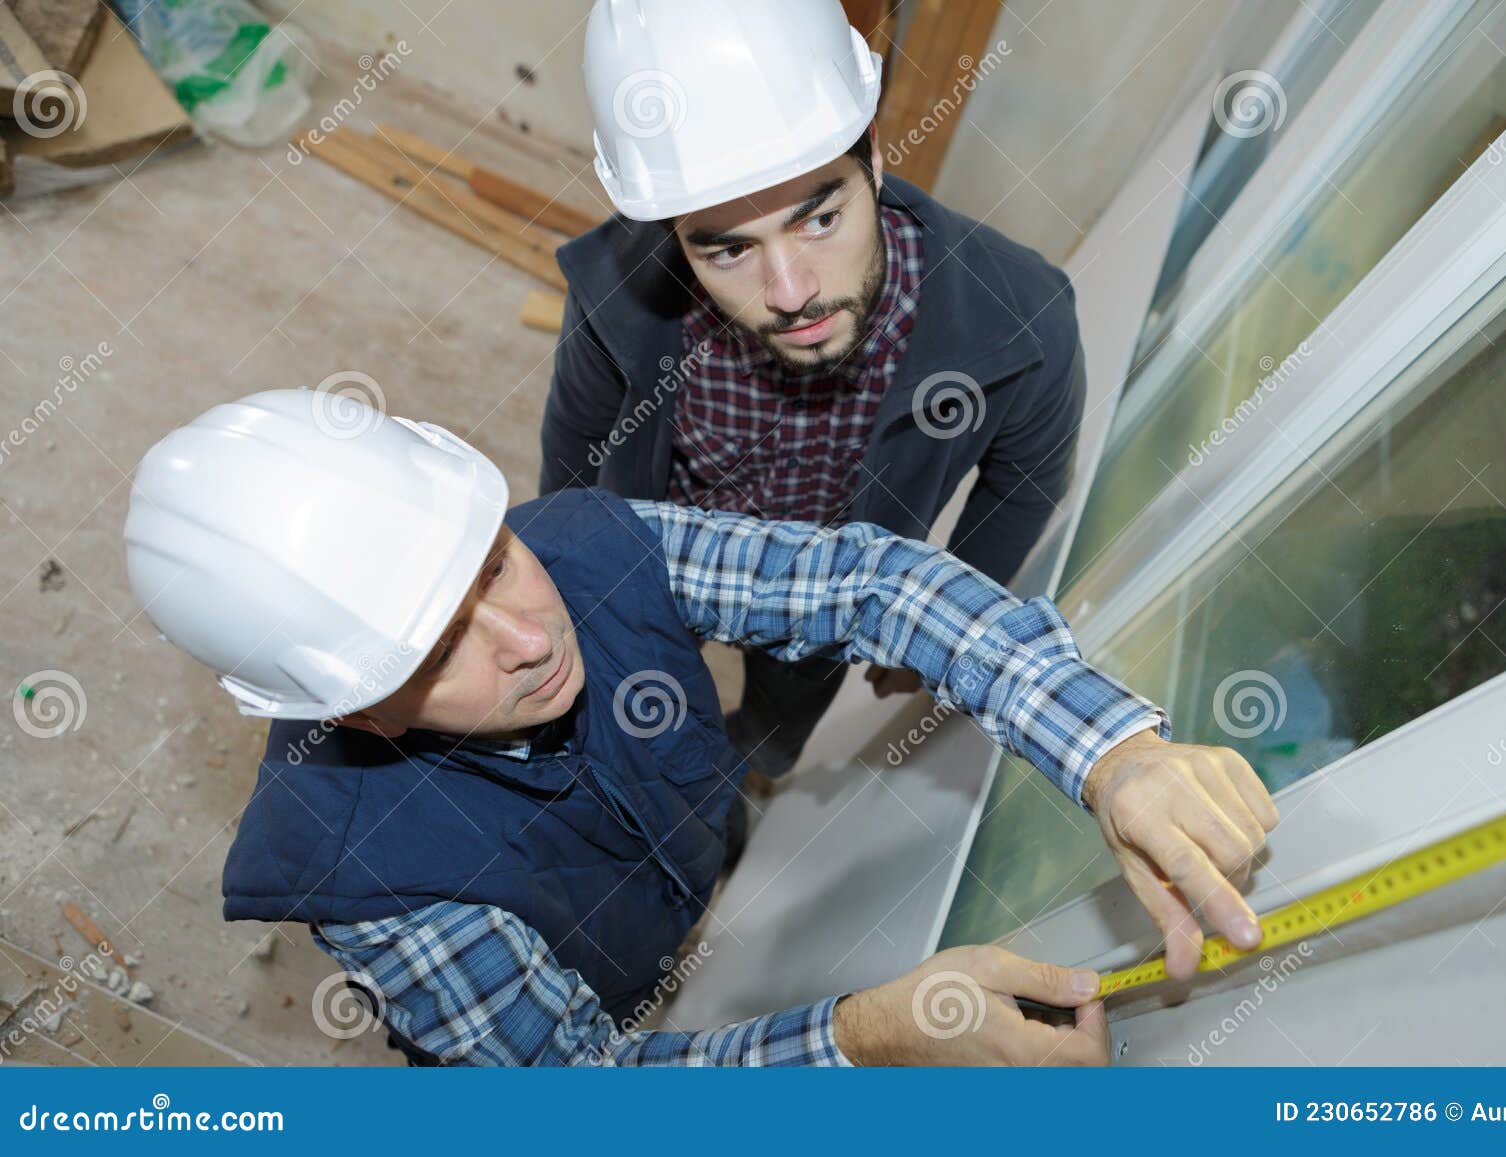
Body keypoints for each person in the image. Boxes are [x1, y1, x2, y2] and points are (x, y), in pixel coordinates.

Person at [124, 389, 1278, 1066]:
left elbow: (868, 586)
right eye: (435, 652)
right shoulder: (366, 878)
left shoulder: (586, 542)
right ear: (346, 707)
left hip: (682, 878)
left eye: (492, 560)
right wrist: (871, 1033)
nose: (527, 631)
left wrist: (1111, 750)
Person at [543, 0, 1095, 777]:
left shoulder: (1021, 321)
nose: (791, 290)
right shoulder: (618, 296)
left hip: (831, 592)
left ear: (871, 153)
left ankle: (747, 775)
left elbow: (1026, 486)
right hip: (667, 550)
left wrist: (943, 632)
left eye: (821, 219)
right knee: (626, 684)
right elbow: (575, 444)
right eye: (729, 252)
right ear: (672, 231)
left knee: (778, 719)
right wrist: (562, 580)